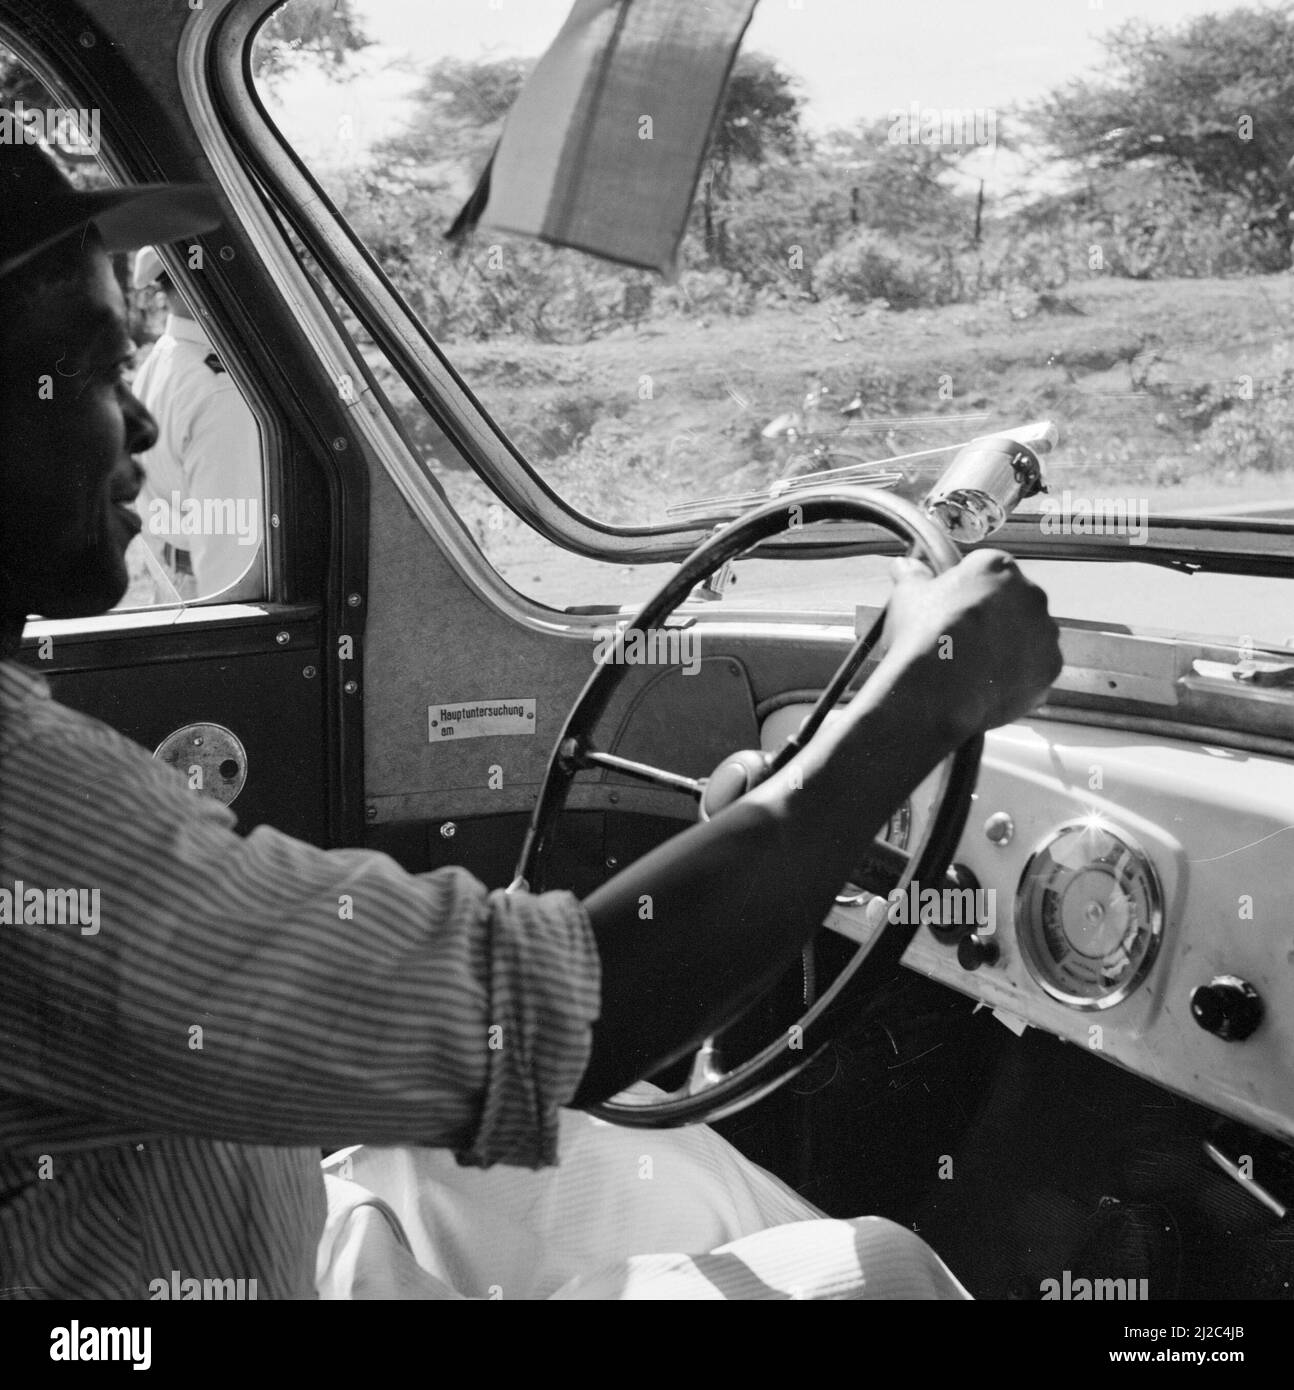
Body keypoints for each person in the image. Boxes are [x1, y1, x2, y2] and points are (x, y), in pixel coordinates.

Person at [0, 141, 1063, 1299]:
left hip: (275, 1204)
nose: (141, 427)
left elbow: (459, 1011)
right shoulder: (29, 803)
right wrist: (915, 707)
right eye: (92, 371)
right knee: (880, 1272)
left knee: (612, 1133)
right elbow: (544, 1025)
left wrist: (774, 824)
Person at [123, 245, 262, 603]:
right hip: (208, 590)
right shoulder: (223, 391)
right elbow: (229, 551)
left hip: (174, 578)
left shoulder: (166, 355)